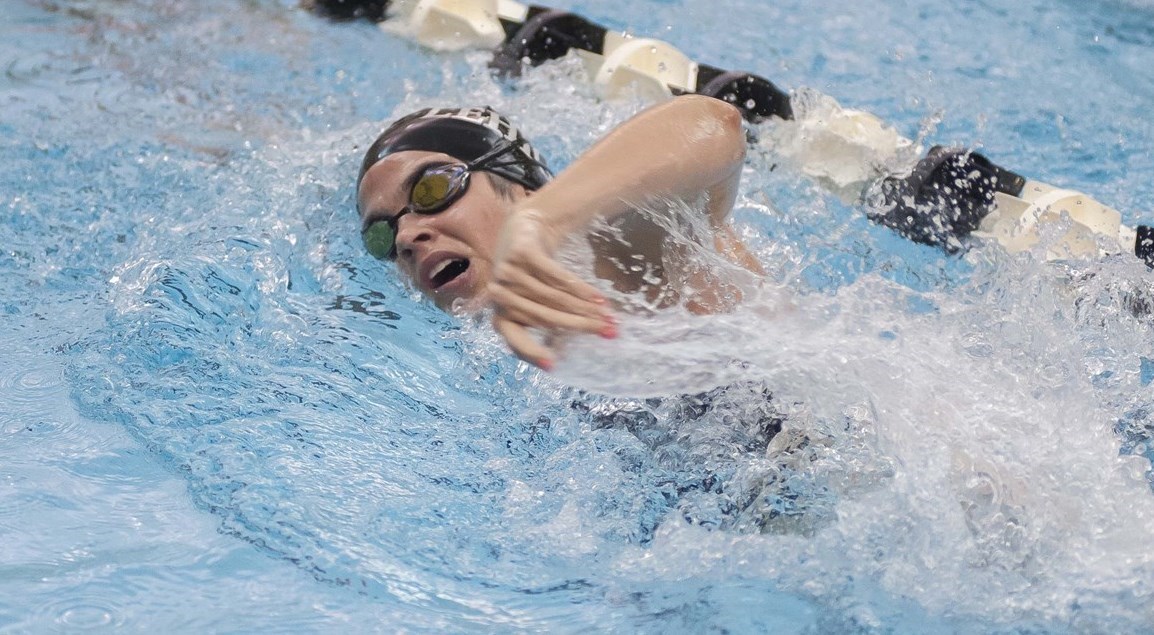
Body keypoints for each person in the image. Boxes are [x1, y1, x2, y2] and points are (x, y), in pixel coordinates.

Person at [357, 96, 769, 371]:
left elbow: (715, 124)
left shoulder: (617, 248)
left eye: (431, 189)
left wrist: (541, 221)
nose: (406, 237)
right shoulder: (502, 349)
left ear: (522, 188)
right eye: (381, 235)